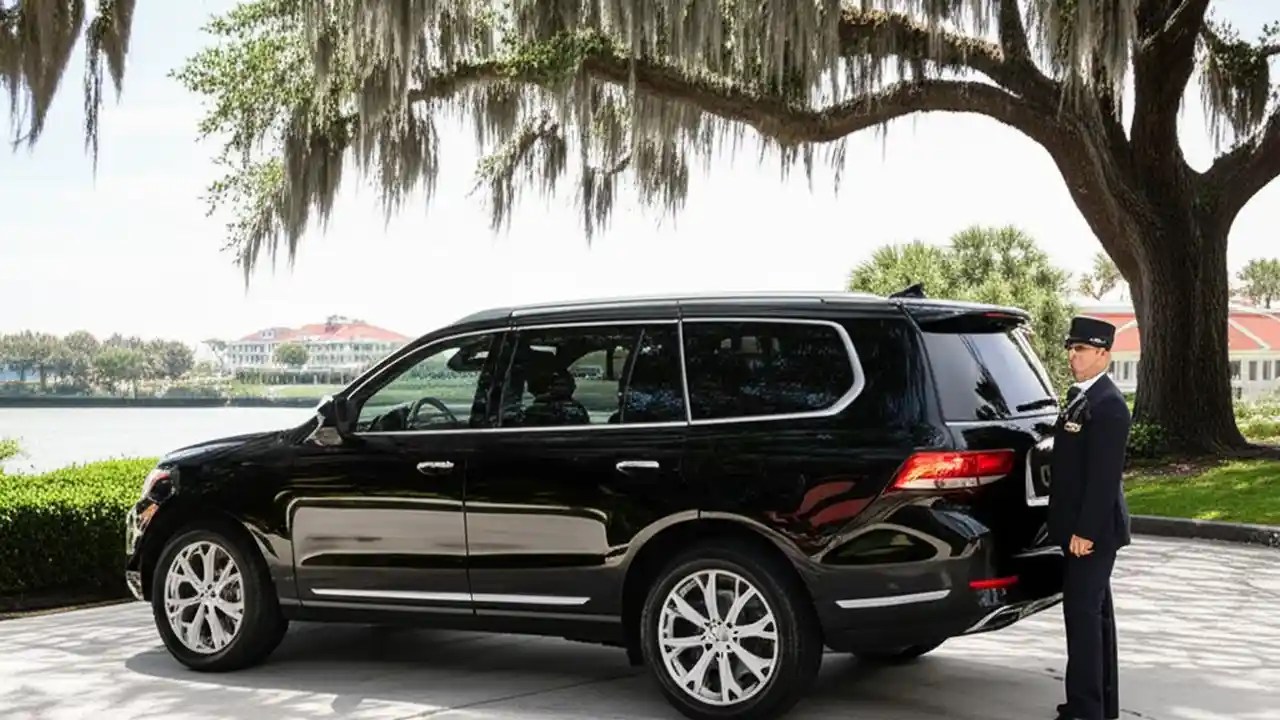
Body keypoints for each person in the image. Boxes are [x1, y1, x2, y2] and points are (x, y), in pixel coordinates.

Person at [1047, 315, 1132, 720]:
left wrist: (1084, 532)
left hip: (1092, 533)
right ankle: (1098, 705)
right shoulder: (1080, 397)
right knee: (1092, 617)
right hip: (1078, 529)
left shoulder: (1108, 406)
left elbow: (1104, 479)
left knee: (1083, 618)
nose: (1072, 356)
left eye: (1081, 349)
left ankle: (1085, 710)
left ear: (1103, 354)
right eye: (1070, 348)